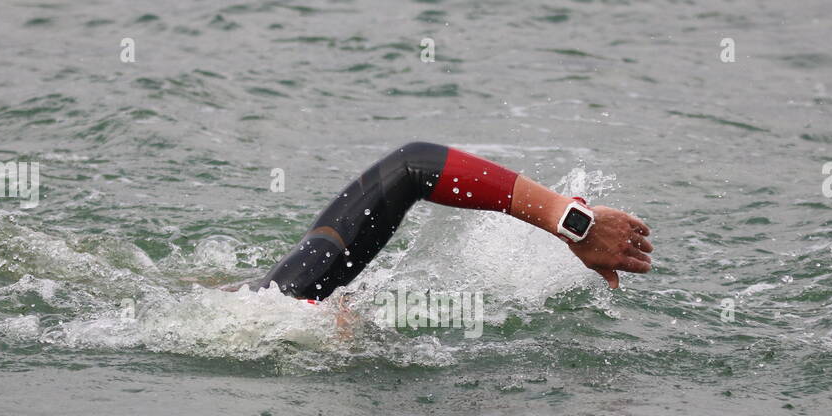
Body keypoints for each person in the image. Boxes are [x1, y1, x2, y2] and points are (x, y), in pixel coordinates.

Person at [250, 141, 652, 302]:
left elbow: (410, 168)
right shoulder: (286, 299)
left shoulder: (276, 297)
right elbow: (410, 166)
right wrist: (572, 220)